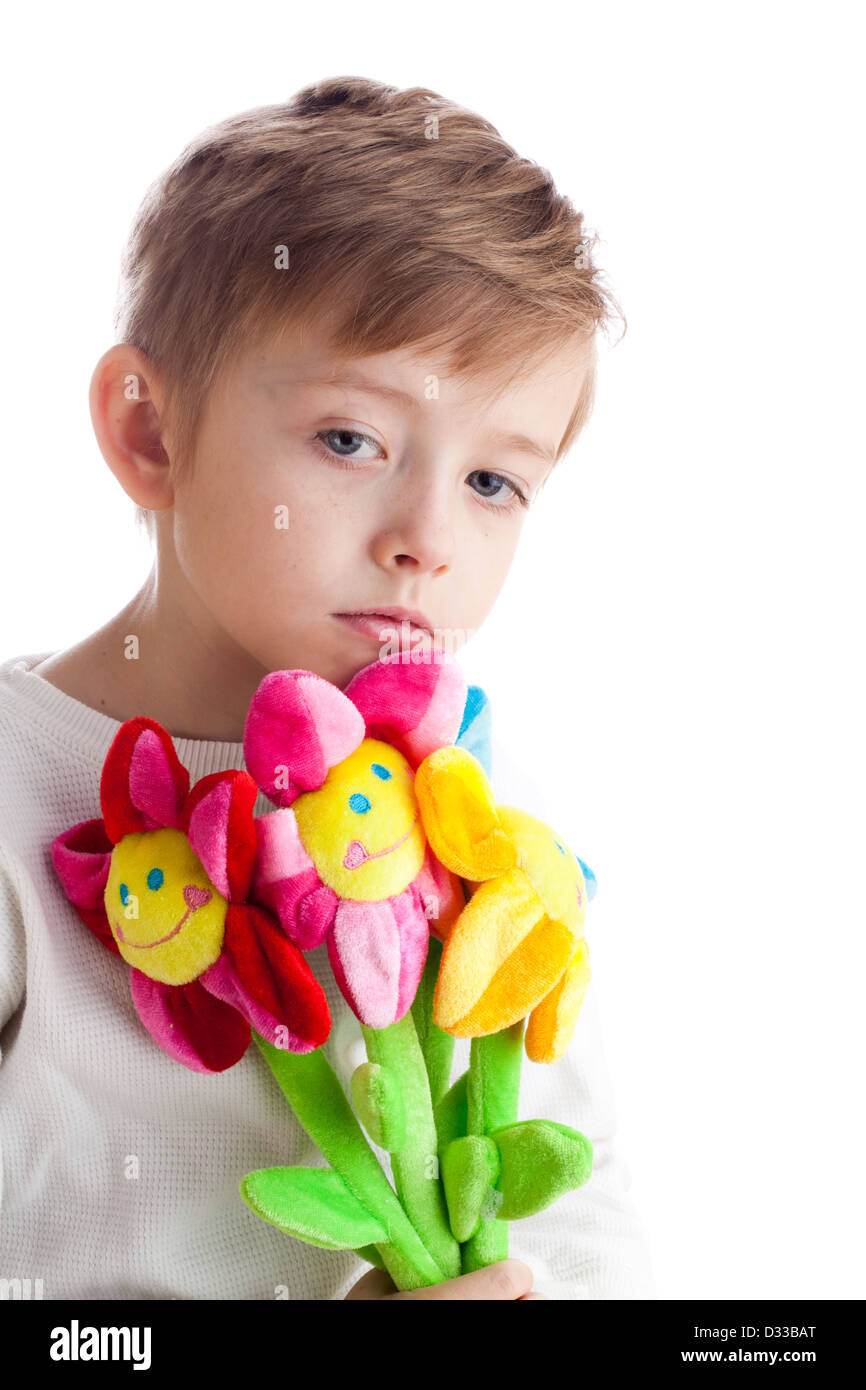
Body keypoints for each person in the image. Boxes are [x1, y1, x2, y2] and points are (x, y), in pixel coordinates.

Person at [0, 75, 655, 1300]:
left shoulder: (463, 806)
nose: (428, 539)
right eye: (351, 441)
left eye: (492, 484)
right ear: (151, 433)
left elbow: (581, 1198)